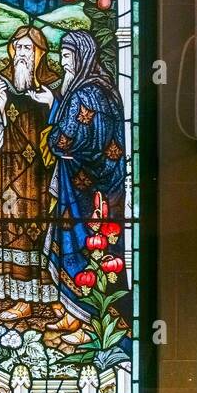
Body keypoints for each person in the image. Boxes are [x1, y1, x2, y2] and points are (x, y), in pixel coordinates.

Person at [44, 29, 127, 333]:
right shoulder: (106, 89)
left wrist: (54, 134)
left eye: (67, 56)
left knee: (78, 245)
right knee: (99, 248)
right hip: (106, 184)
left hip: (81, 188)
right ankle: (80, 315)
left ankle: (83, 317)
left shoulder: (82, 94)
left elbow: (63, 139)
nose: (63, 62)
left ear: (81, 56)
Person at [0, 26, 61, 322]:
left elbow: (67, 126)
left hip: (44, 173)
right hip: (9, 173)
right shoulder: (1, 83)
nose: (22, 55)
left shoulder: (54, 86)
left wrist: (51, 104)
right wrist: (2, 105)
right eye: (18, 48)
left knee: (46, 231)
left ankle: (57, 298)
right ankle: (22, 299)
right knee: (13, 231)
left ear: (40, 54)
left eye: (28, 49)